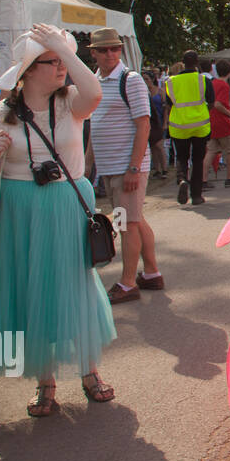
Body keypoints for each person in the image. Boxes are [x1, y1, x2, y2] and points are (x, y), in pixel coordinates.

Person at [0, 24, 117, 416]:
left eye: (64, 61)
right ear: (27, 71)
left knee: (73, 287)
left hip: (66, 205)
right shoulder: (0, 114)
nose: (61, 68)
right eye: (52, 62)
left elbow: (94, 91)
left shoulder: (72, 102)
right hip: (18, 210)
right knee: (30, 291)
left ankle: (89, 373)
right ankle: (46, 384)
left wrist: (65, 49)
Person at [87, 28, 162, 303]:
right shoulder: (95, 81)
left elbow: (143, 124)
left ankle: (128, 283)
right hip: (111, 165)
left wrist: (134, 167)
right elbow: (96, 125)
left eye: (115, 49)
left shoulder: (130, 80)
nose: (110, 54)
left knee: (127, 222)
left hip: (127, 165)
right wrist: (88, 164)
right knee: (134, 219)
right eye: (104, 49)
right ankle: (152, 273)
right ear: (93, 52)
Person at [164, 50, 212, 205]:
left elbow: (169, 103)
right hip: (200, 125)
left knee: (181, 157)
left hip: (179, 126)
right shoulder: (203, 79)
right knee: (198, 160)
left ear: (182, 62)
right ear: (197, 62)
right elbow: (211, 101)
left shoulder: (171, 82)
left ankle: (182, 179)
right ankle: (196, 195)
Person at [205, 59, 230, 188]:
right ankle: (229, 179)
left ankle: (203, 180)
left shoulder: (212, 83)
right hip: (222, 122)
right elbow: (218, 104)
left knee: (211, 151)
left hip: (211, 121)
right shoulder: (224, 86)